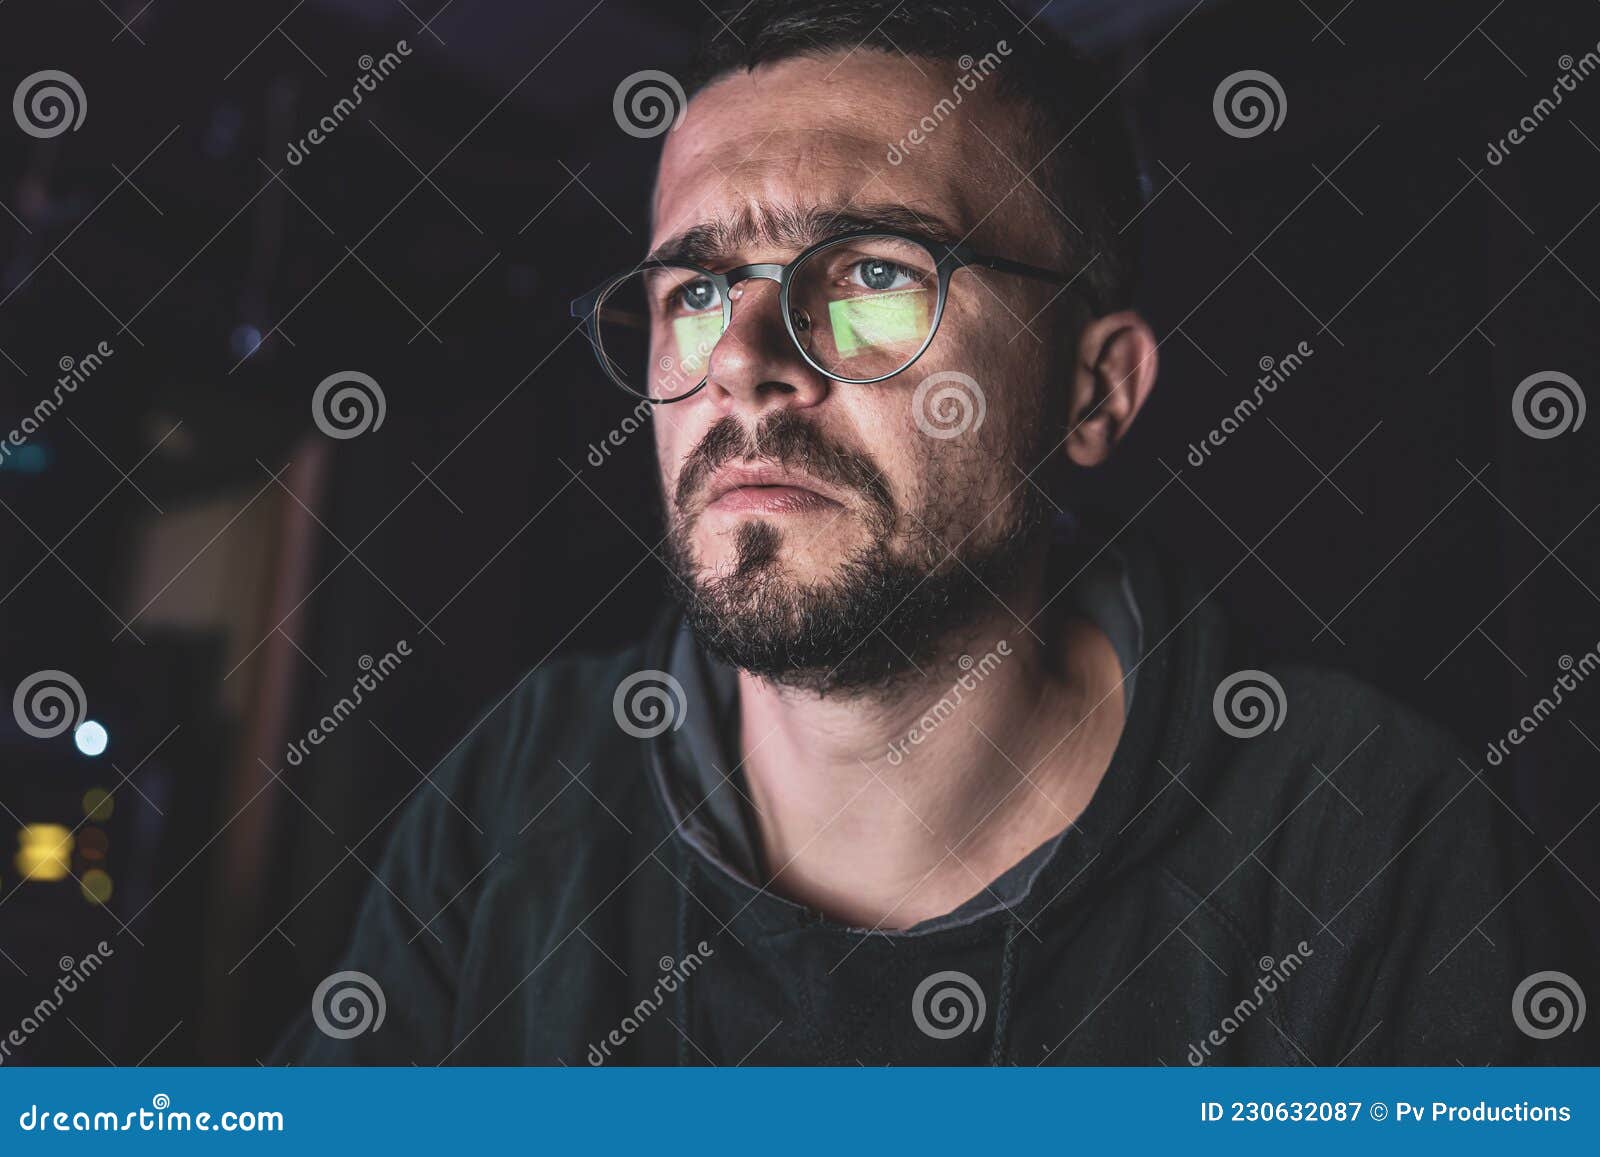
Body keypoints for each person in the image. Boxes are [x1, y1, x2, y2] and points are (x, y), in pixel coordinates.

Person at [276, 0, 1594, 1065]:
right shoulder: (524, 790)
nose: (741, 362)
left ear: (1093, 389)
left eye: (870, 277)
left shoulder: (1362, 835)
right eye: (692, 290)